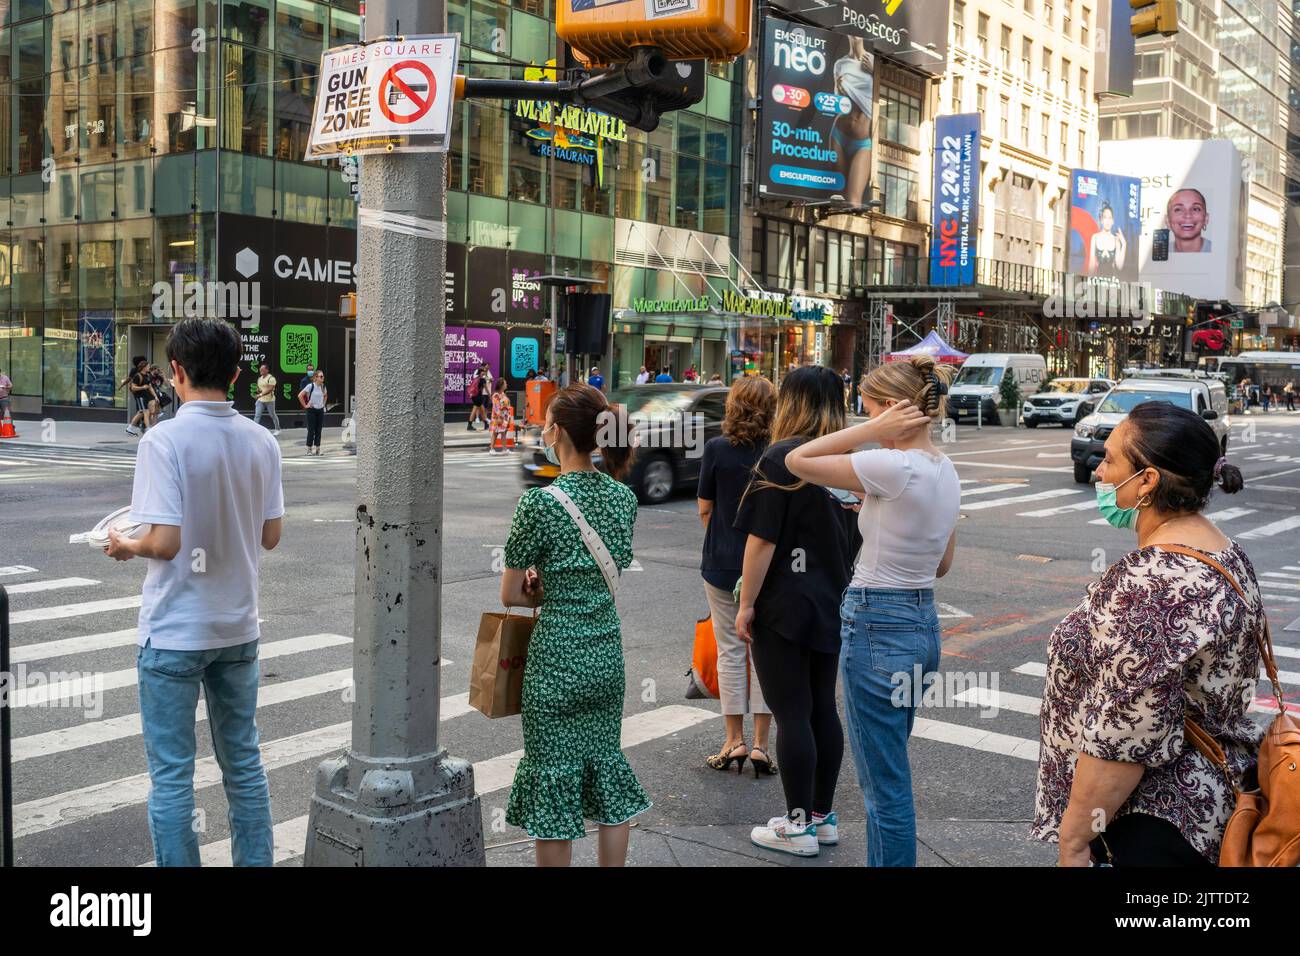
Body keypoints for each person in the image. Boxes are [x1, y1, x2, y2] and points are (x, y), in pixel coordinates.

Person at [1032, 402, 1262, 866]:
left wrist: (1075, 841)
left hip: (1154, 822)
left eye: (1111, 459)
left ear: (1147, 481)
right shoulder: (1224, 550)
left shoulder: (1151, 582)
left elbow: (1124, 738)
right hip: (1214, 805)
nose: (1098, 471)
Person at [103, 317, 283, 867]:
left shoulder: (164, 440)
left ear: (176, 371)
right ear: (235, 373)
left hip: (175, 631)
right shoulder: (262, 440)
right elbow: (270, 536)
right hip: (237, 628)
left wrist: (125, 545)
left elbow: (165, 541)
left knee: (173, 777)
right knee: (244, 766)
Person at [786, 356, 958, 866]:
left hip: (877, 622)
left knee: (884, 789)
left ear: (891, 411)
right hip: (922, 623)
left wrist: (870, 431)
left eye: (869, 410)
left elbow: (796, 459)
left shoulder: (892, 464)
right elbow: (942, 562)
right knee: (890, 765)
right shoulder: (943, 468)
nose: (868, 425)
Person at [500, 383, 648, 866]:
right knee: (607, 770)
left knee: (552, 778)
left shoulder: (539, 504)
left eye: (544, 421)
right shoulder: (622, 499)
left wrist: (539, 585)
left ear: (557, 431)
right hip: (606, 654)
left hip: (556, 661)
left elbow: (510, 594)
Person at [733, 366, 859, 858]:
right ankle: (822, 817)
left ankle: (798, 825)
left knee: (792, 715)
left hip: (784, 605)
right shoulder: (846, 461)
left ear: (792, 402)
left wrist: (746, 605)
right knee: (822, 709)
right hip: (833, 600)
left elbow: (761, 541)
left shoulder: (783, 457)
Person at [696, 376, 778, 777]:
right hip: (768, 568)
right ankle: (763, 745)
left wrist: (722, 535)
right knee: (764, 652)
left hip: (721, 561)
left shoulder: (716, 448)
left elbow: (705, 508)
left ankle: (734, 741)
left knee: (730, 650)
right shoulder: (778, 453)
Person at [831, 36, 874, 206]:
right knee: (839, 195)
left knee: (854, 200)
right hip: (838, 135)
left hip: (862, 142)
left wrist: (874, 71)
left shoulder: (873, 61)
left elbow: (879, 95)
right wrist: (839, 90)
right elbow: (836, 100)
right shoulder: (840, 64)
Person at [1086, 203, 1127, 278]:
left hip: (1112, 282)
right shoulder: (1095, 237)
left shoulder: (1116, 240)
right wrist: (1088, 281)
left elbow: (1119, 266)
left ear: (1113, 221)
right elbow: (1092, 263)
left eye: (1110, 218)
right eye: (1105, 217)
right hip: (1097, 280)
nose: (1107, 221)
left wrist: (1124, 244)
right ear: (1101, 220)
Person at [1167, 188, 1211, 253]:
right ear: (1167, 221)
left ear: (1206, 218)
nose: (1188, 215)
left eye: (1195, 209)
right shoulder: (1160, 253)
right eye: (1178, 209)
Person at [299, 369, 327, 456]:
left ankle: (318, 449)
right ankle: (309, 449)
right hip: (311, 410)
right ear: (316, 377)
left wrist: (323, 404)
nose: (322, 378)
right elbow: (300, 395)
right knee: (311, 430)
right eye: (321, 376)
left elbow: (325, 395)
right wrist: (305, 405)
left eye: (323, 376)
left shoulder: (323, 386)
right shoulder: (310, 386)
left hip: (320, 410)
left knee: (319, 429)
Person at [126, 356, 152, 436]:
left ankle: (130, 428)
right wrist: (142, 387)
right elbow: (133, 387)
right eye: (148, 366)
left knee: (141, 412)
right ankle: (148, 430)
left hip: (145, 396)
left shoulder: (147, 375)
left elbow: (149, 386)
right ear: (143, 367)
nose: (149, 367)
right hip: (140, 397)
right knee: (145, 412)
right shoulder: (137, 376)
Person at [487, 377, 513, 454]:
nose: (506, 384)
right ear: (501, 385)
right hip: (498, 417)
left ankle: (504, 449)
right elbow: (496, 407)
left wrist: (508, 416)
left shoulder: (502, 394)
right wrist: (499, 417)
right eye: (505, 383)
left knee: (503, 432)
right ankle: (492, 449)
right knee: (495, 432)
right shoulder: (496, 395)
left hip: (504, 416)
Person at [253, 364, 280, 435]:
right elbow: (259, 389)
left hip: (270, 401)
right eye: (260, 369)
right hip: (260, 401)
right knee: (257, 415)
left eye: (262, 369)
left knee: (273, 415)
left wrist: (260, 394)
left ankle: (277, 429)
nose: (260, 370)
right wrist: (258, 391)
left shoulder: (271, 378)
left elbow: (270, 389)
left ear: (267, 370)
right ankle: (254, 431)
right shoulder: (259, 379)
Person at [468, 364, 492, 431]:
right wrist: (490, 396)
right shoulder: (482, 379)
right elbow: (486, 389)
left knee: (481, 410)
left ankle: (485, 424)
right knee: (478, 410)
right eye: (483, 371)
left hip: (474, 396)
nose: (484, 372)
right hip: (478, 397)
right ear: (481, 372)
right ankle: (470, 425)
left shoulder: (476, 378)